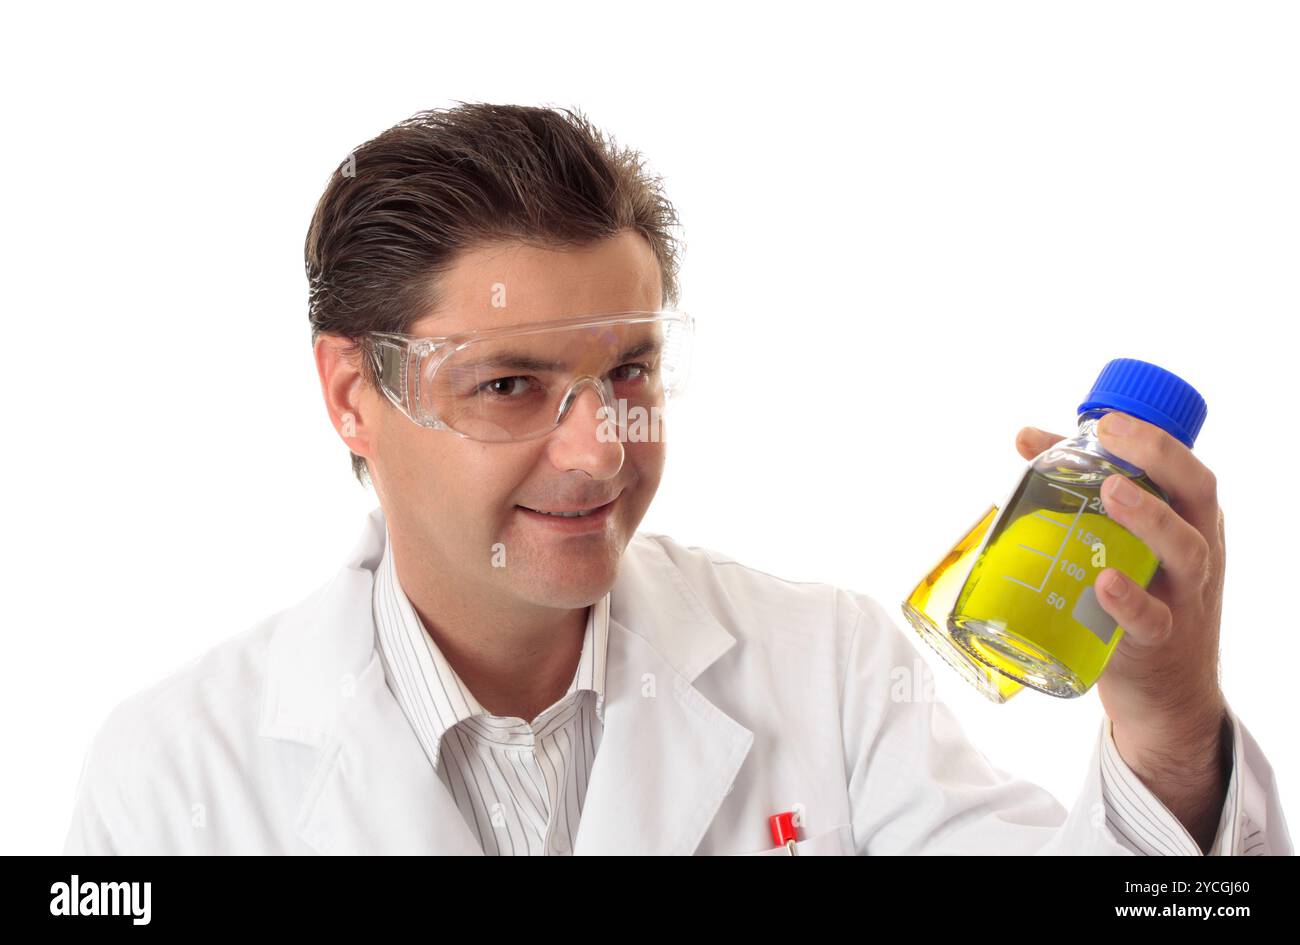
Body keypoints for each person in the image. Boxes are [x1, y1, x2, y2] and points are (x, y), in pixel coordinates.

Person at [63, 103, 1291, 855]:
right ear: (350, 395)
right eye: (508, 385)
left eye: (629, 369)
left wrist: (1170, 725)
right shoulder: (177, 770)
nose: (600, 449)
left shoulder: (830, 673)